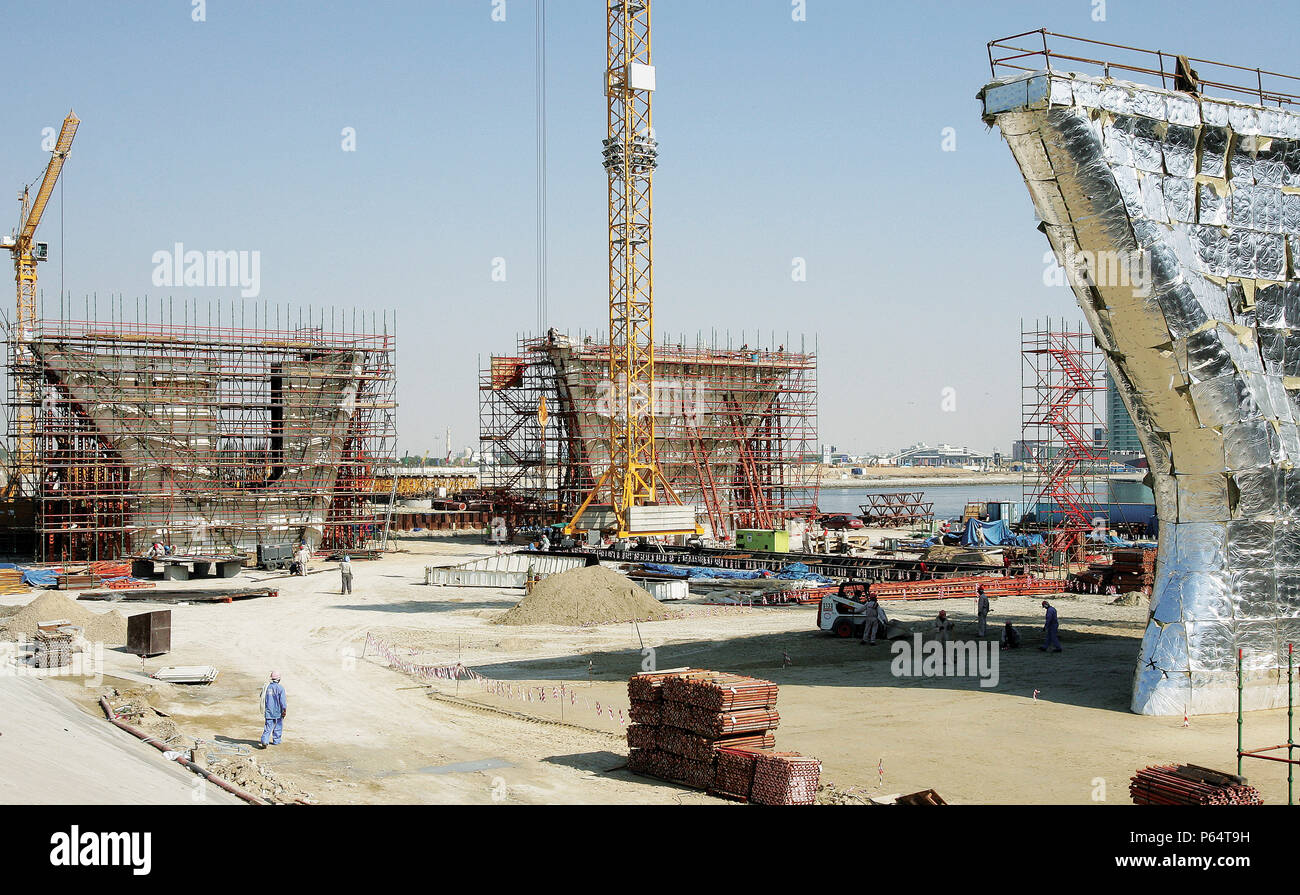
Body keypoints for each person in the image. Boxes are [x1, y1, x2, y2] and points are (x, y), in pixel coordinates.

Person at [257, 672, 287, 748]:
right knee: (278, 726)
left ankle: (264, 740)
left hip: (268, 711)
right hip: (278, 712)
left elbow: (261, 696)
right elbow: (282, 701)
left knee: (268, 727)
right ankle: (276, 741)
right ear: (279, 679)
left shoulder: (266, 687)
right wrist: (284, 710)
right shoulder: (280, 688)